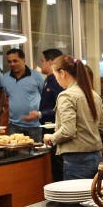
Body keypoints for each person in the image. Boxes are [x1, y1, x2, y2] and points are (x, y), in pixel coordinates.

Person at [43, 56, 103, 180]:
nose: (56, 80)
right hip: (97, 157)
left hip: (76, 160)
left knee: (76, 199)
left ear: (62, 73)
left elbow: (68, 131)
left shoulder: (66, 96)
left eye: (55, 76)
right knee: (94, 198)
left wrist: (51, 137)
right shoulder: (94, 95)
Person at [0, 48, 45, 141]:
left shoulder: (37, 76)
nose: (12, 64)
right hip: (14, 125)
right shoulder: (5, 78)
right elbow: (8, 97)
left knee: (36, 154)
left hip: (35, 126)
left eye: (15, 61)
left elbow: (44, 98)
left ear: (24, 59)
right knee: (15, 154)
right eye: (9, 61)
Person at [37, 48, 65, 181]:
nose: (41, 64)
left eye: (43, 61)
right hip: (48, 129)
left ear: (51, 62)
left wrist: (40, 114)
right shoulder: (48, 79)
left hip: (55, 130)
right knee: (54, 165)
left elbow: (59, 107)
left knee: (58, 166)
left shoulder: (56, 80)